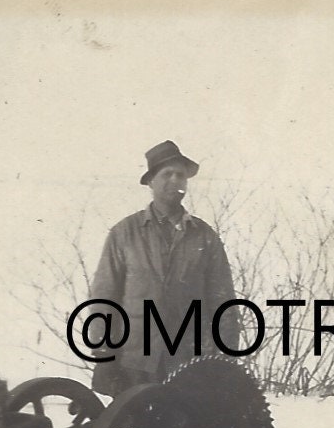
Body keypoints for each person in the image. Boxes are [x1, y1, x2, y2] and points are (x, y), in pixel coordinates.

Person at [89, 140, 239, 396]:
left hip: (189, 364)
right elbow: (104, 297)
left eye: (181, 175)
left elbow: (223, 300)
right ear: (151, 181)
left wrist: (226, 358)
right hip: (135, 362)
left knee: (186, 422)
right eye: (167, 174)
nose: (175, 180)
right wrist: (103, 354)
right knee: (134, 422)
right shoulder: (124, 233)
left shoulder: (205, 236)